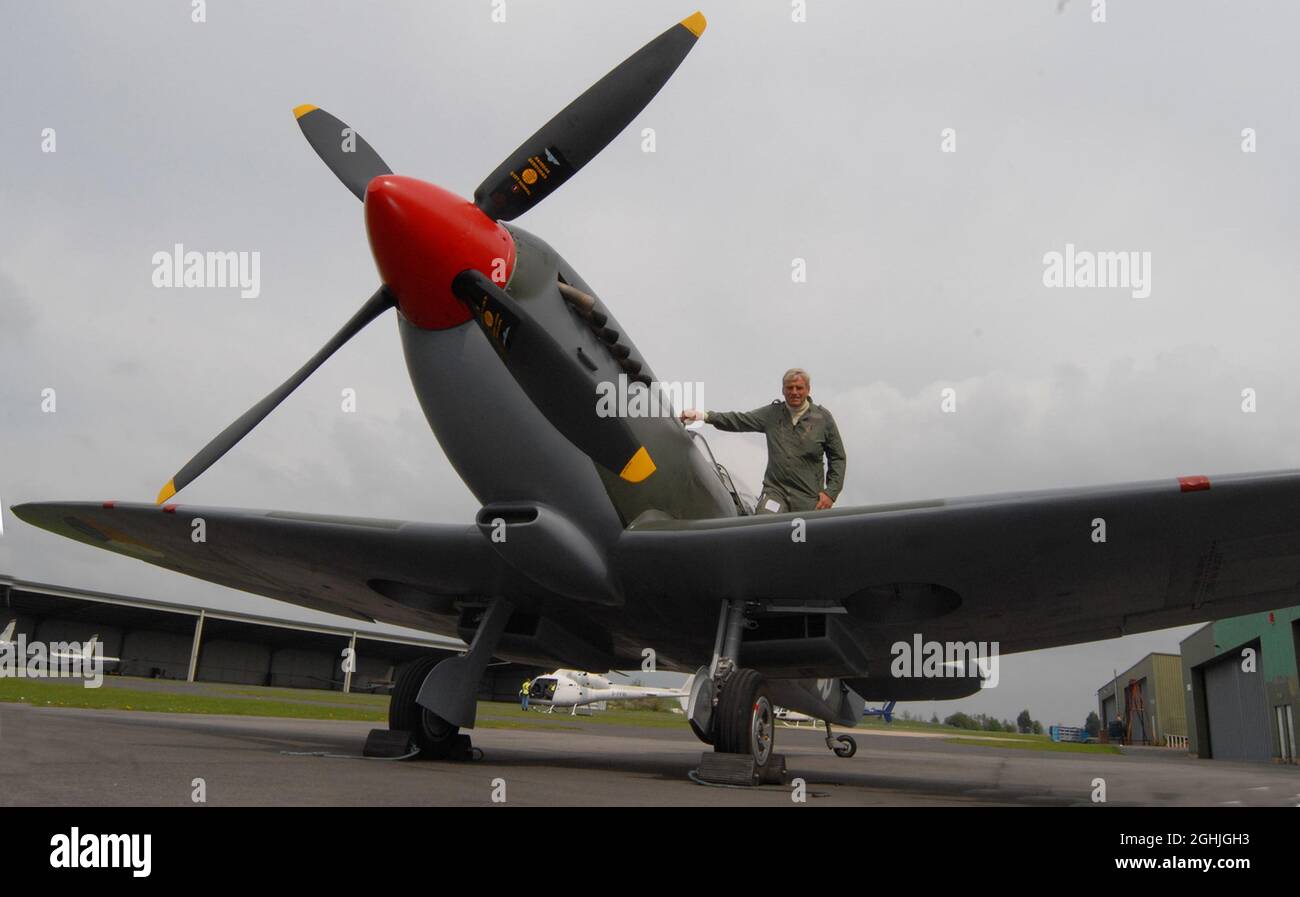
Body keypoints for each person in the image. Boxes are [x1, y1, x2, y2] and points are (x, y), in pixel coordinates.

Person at [681, 368, 846, 513]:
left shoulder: (823, 419)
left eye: (799, 388)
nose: (794, 392)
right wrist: (703, 416)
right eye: (790, 388)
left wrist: (831, 493)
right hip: (776, 492)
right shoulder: (772, 414)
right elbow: (739, 420)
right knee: (763, 526)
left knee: (808, 534)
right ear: (783, 390)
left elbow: (838, 458)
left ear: (808, 390)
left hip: (808, 496)